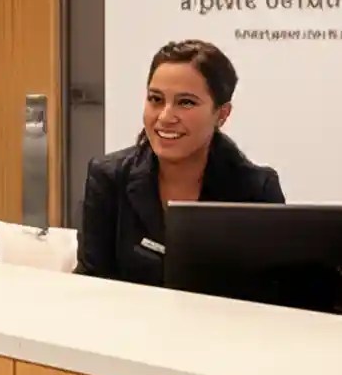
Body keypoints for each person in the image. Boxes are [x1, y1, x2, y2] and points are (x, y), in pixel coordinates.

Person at [76, 39, 284, 286]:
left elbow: (276, 297)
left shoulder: (255, 189)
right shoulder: (109, 178)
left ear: (222, 114)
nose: (165, 117)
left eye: (186, 102)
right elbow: (91, 285)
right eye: (156, 99)